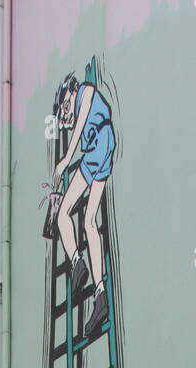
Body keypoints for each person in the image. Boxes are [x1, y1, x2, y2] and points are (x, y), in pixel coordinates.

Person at [53, 72, 116, 340]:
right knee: (89, 221)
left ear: (71, 91)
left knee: (64, 214)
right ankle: (100, 292)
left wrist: (67, 159)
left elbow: (80, 123)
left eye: (65, 108)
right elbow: (76, 124)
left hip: (98, 148)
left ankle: (78, 262)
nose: (66, 117)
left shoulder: (86, 92)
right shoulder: (79, 106)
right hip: (101, 150)